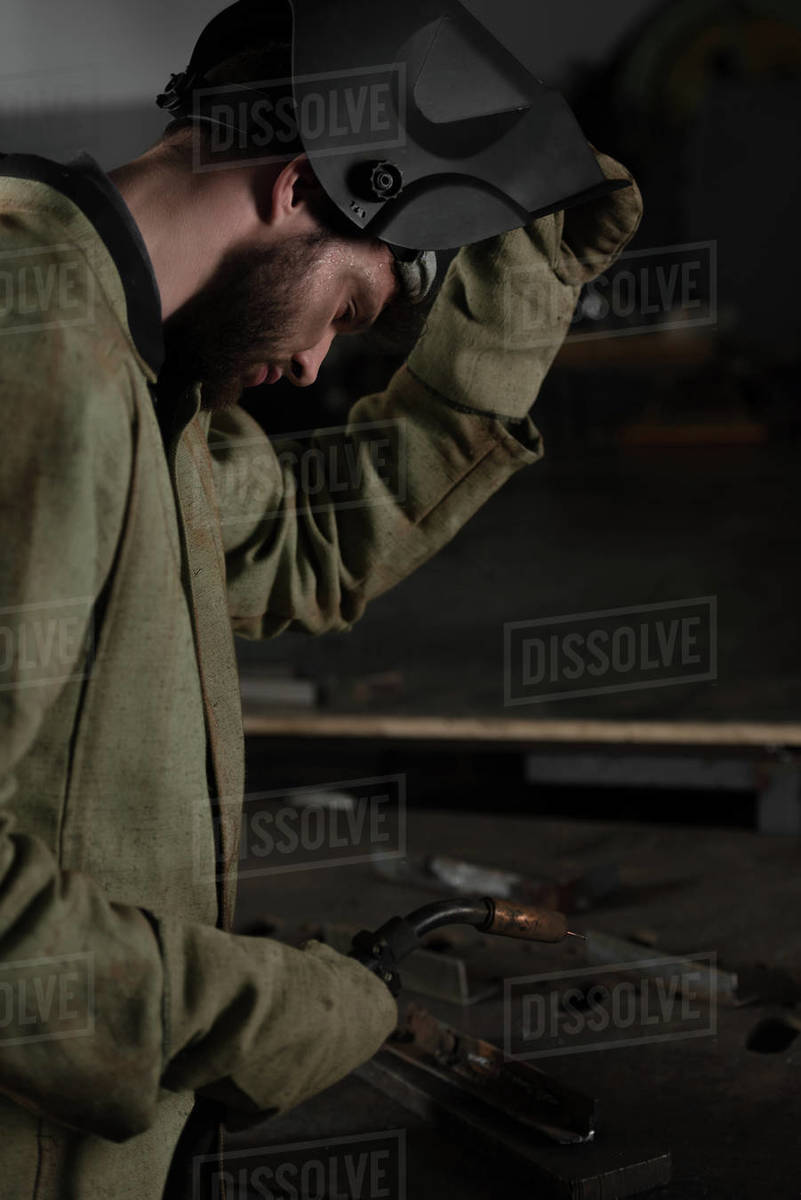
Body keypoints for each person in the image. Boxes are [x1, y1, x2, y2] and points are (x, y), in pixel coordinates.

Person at [0, 3, 643, 1196]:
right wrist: (264, 1015)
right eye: (349, 309)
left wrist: (522, 282)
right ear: (299, 182)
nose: (312, 364)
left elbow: (303, 536)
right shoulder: (31, 352)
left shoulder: (124, 353)